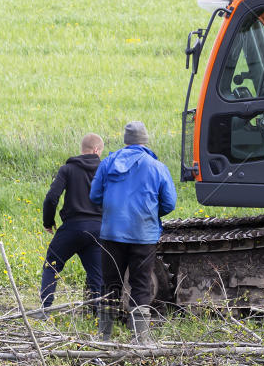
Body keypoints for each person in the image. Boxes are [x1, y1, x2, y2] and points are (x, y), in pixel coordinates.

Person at [90, 121, 176, 344]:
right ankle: (141, 339)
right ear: (145, 141)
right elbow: (169, 203)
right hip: (143, 234)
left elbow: (94, 197)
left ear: (126, 141)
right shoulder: (157, 167)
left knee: (109, 283)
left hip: (111, 234)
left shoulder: (108, 163)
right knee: (140, 283)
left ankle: (104, 336)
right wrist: (151, 213)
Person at [39, 133, 106, 313]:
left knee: (52, 265)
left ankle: (45, 309)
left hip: (72, 227)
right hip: (97, 230)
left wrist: (48, 221)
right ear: (96, 150)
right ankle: (101, 318)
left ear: (83, 149)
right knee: (97, 276)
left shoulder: (67, 169)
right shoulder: (104, 171)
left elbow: (52, 198)